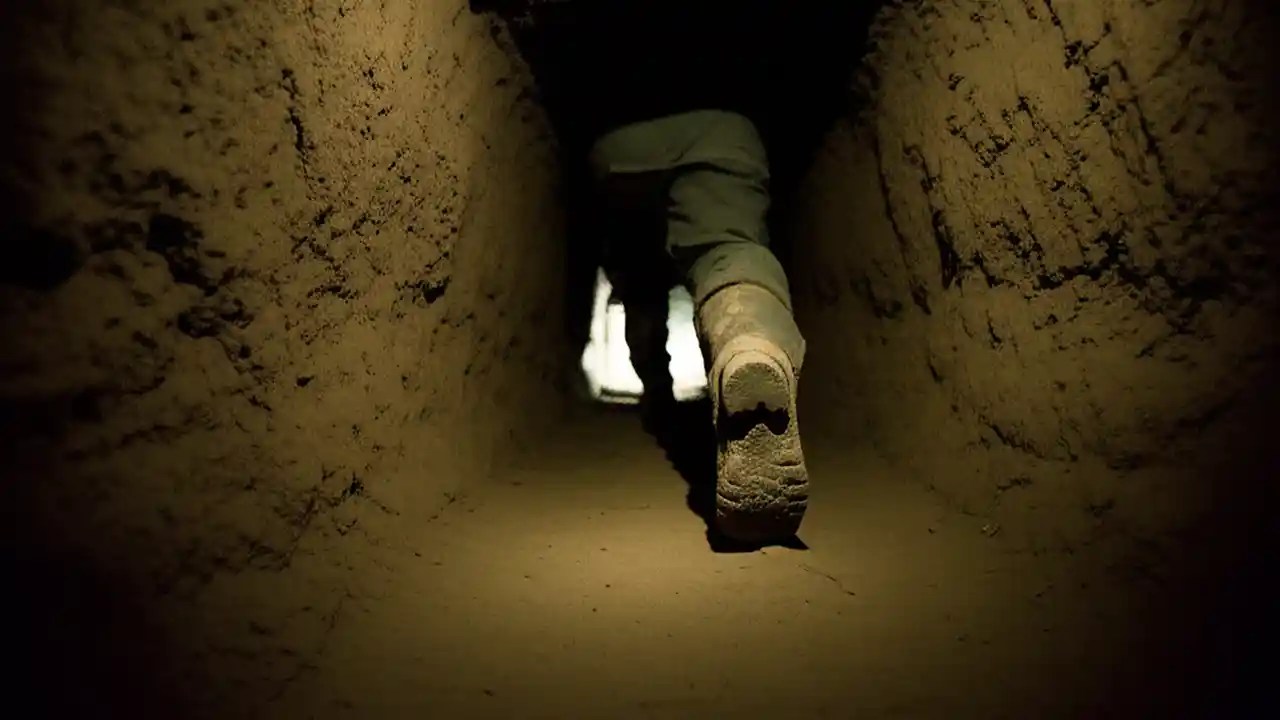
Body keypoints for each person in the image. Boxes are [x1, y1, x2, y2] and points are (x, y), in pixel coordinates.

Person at [476, 0, 817, 544]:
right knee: (726, 249)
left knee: (639, 278)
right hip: (720, 123)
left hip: (620, 143)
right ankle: (749, 345)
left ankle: (657, 395)